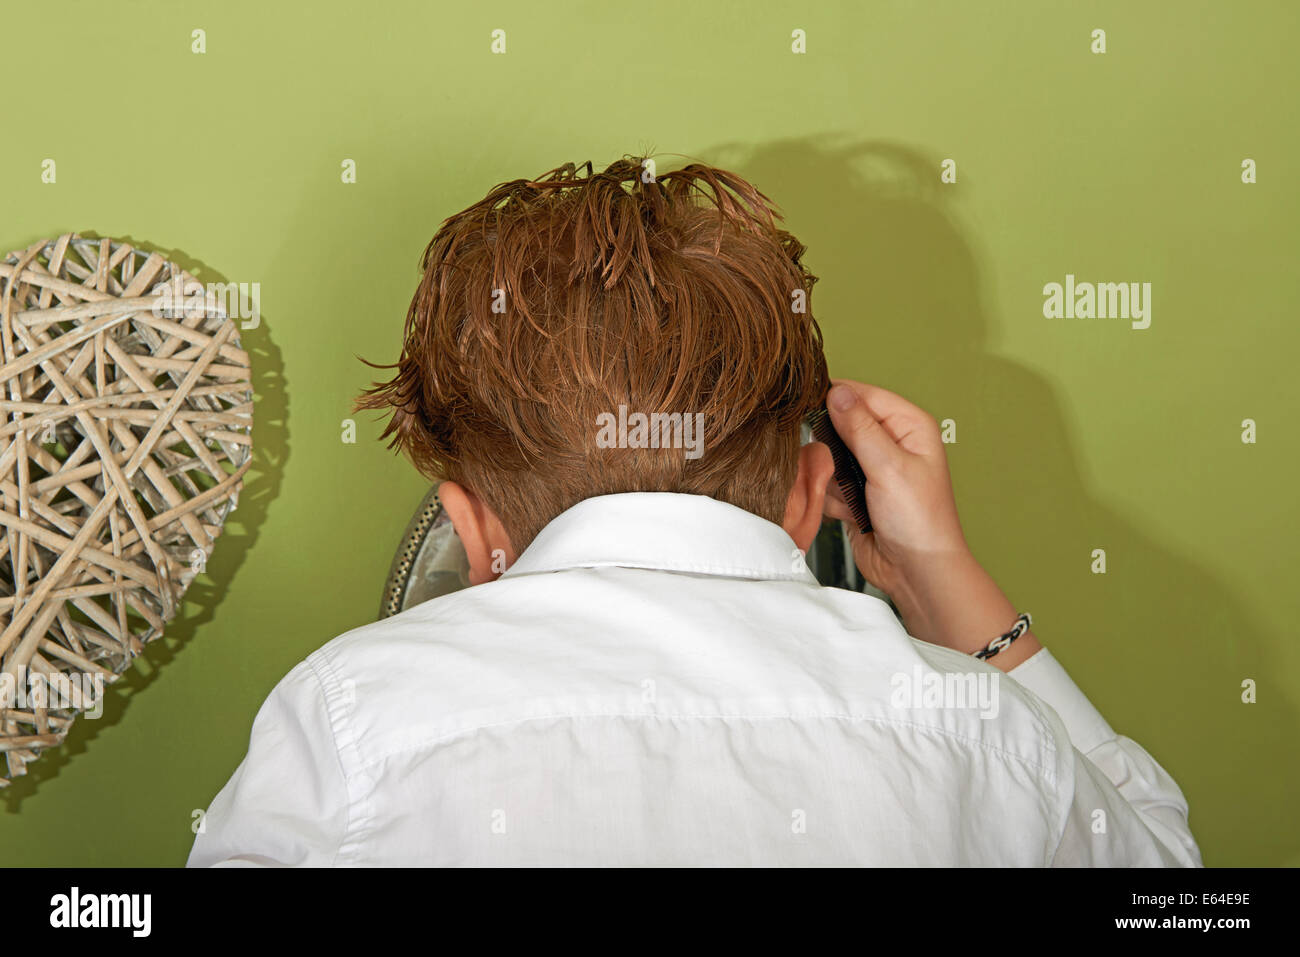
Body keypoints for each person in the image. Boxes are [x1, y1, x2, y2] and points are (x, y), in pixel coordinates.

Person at [187, 157, 1201, 866]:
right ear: (813, 495)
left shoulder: (349, 723)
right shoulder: (983, 738)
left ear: (469, 526)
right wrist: (942, 575)